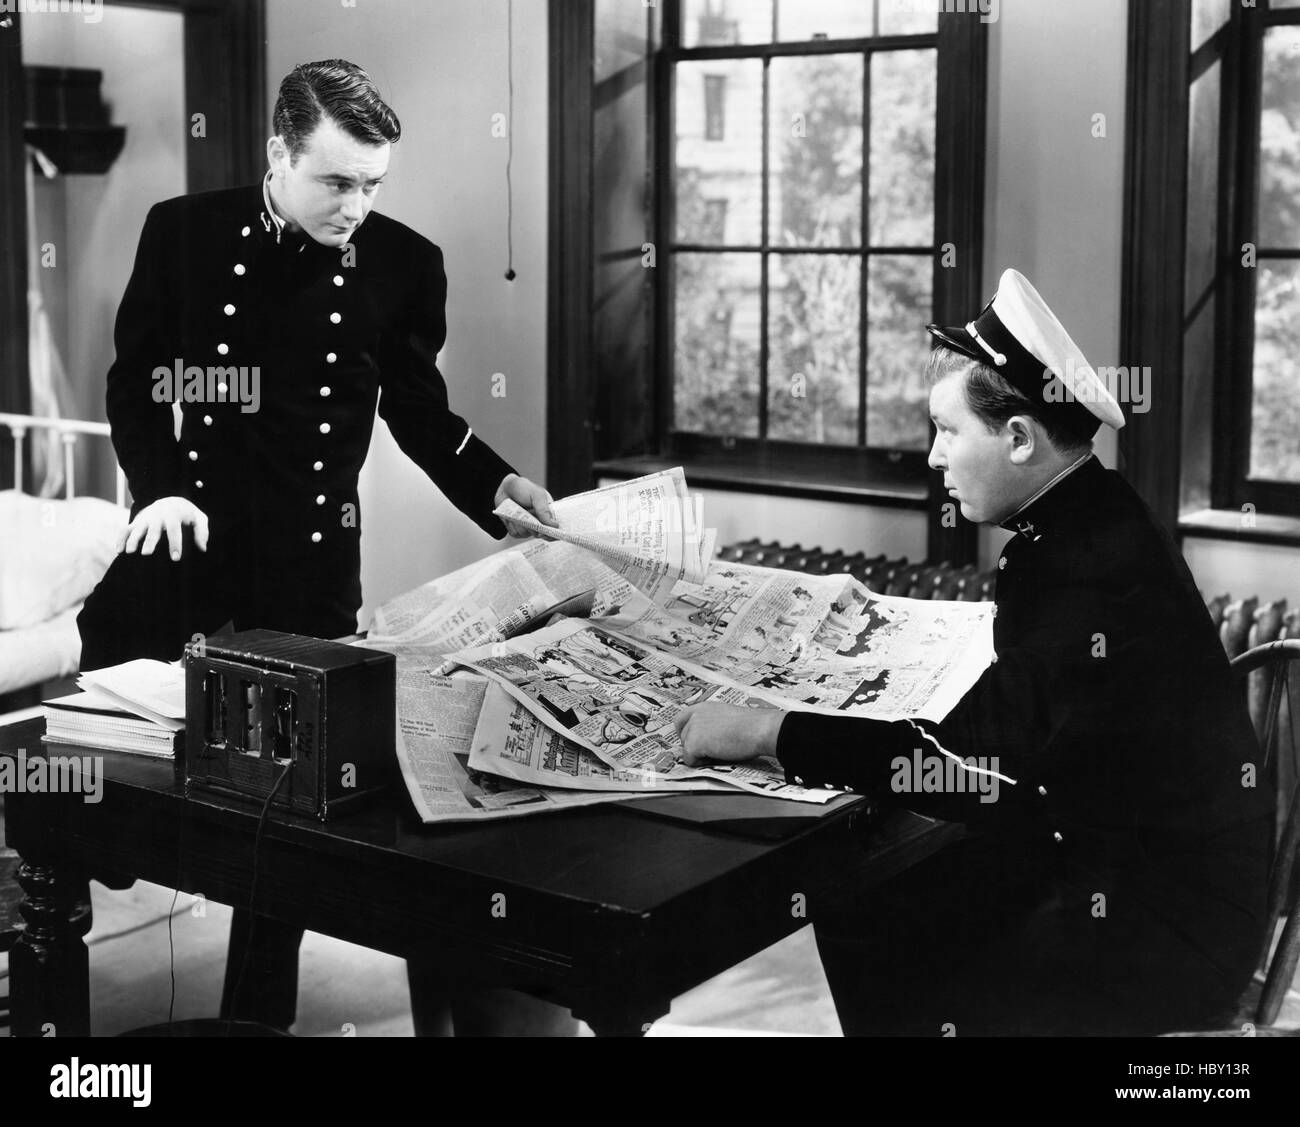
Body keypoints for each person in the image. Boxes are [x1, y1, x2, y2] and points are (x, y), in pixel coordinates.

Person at [78, 59, 571, 1035]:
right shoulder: (184, 233)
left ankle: (254, 1021)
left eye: (373, 183)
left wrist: (497, 483)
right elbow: (135, 384)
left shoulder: (401, 263)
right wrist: (163, 486)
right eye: (335, 181)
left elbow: (423, 416)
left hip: (307, 582)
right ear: (278, 153)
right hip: (190, 557)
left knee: (280, 833)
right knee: (110, 775)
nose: (356, 205)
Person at [673, 269, 1274, 1036]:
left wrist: (767, 731)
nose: (933, 458)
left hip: (1167, 931)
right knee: (889, 877)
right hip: (1132, 861)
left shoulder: (1083, 568)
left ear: (1019, 438)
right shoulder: (1087, 512)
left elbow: (972, 766)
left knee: (869, 897)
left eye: (947, 430)